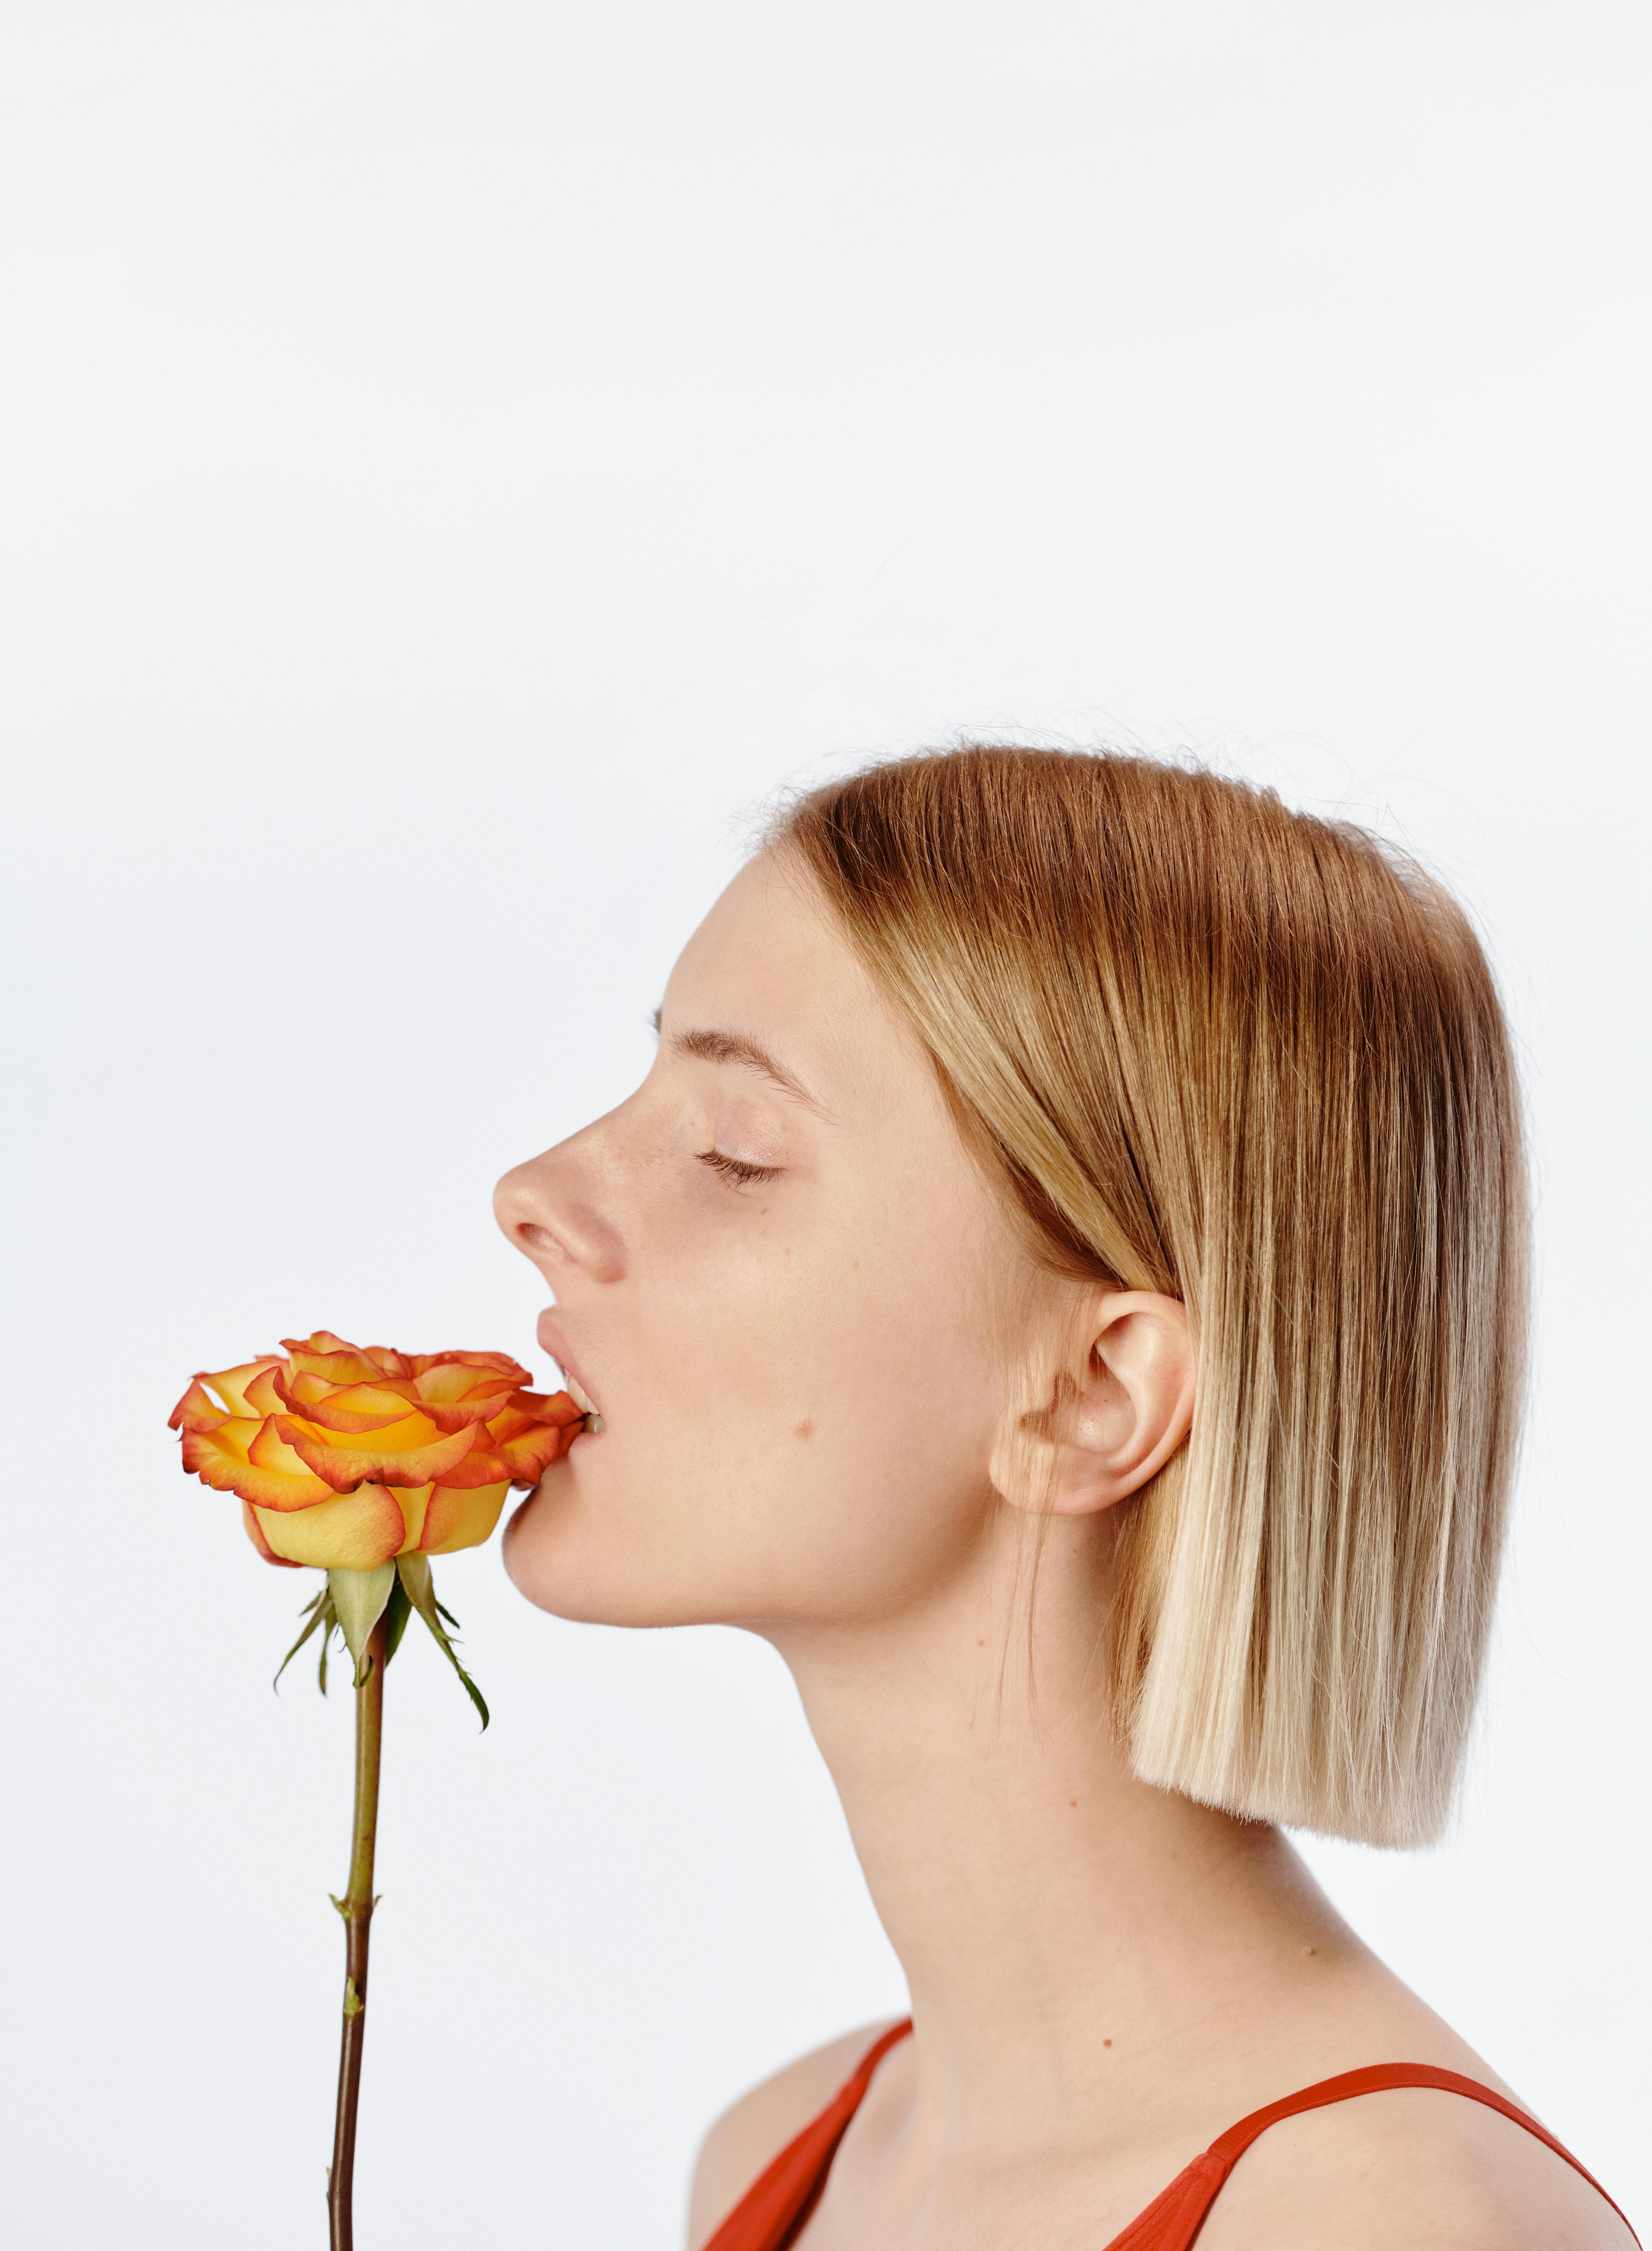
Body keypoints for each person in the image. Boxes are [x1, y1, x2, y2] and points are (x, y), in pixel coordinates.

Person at [493, 745, 1638, 2251]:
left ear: (1095, 1393)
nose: (531, 1192)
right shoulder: (777, 2158)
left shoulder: (1397, 2228)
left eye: (733, 1153)